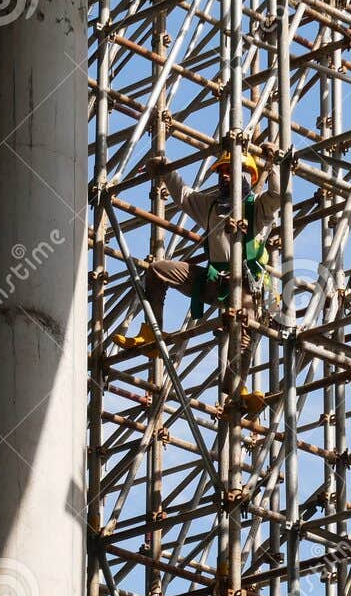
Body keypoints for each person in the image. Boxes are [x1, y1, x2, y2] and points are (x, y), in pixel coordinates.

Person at [114, 149, 280, 412]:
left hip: (248, 284)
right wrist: (166, 171)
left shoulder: (257, 208)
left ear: (250, 175)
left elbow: (277, 196)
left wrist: (276, 166)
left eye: (231, 171)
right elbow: (184, 196)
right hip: (216, 280)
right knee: (158, 270)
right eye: (222, 172)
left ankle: (236, 390)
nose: (225, 177)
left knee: (244, 329)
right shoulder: (212, 205)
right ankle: (152, 334)